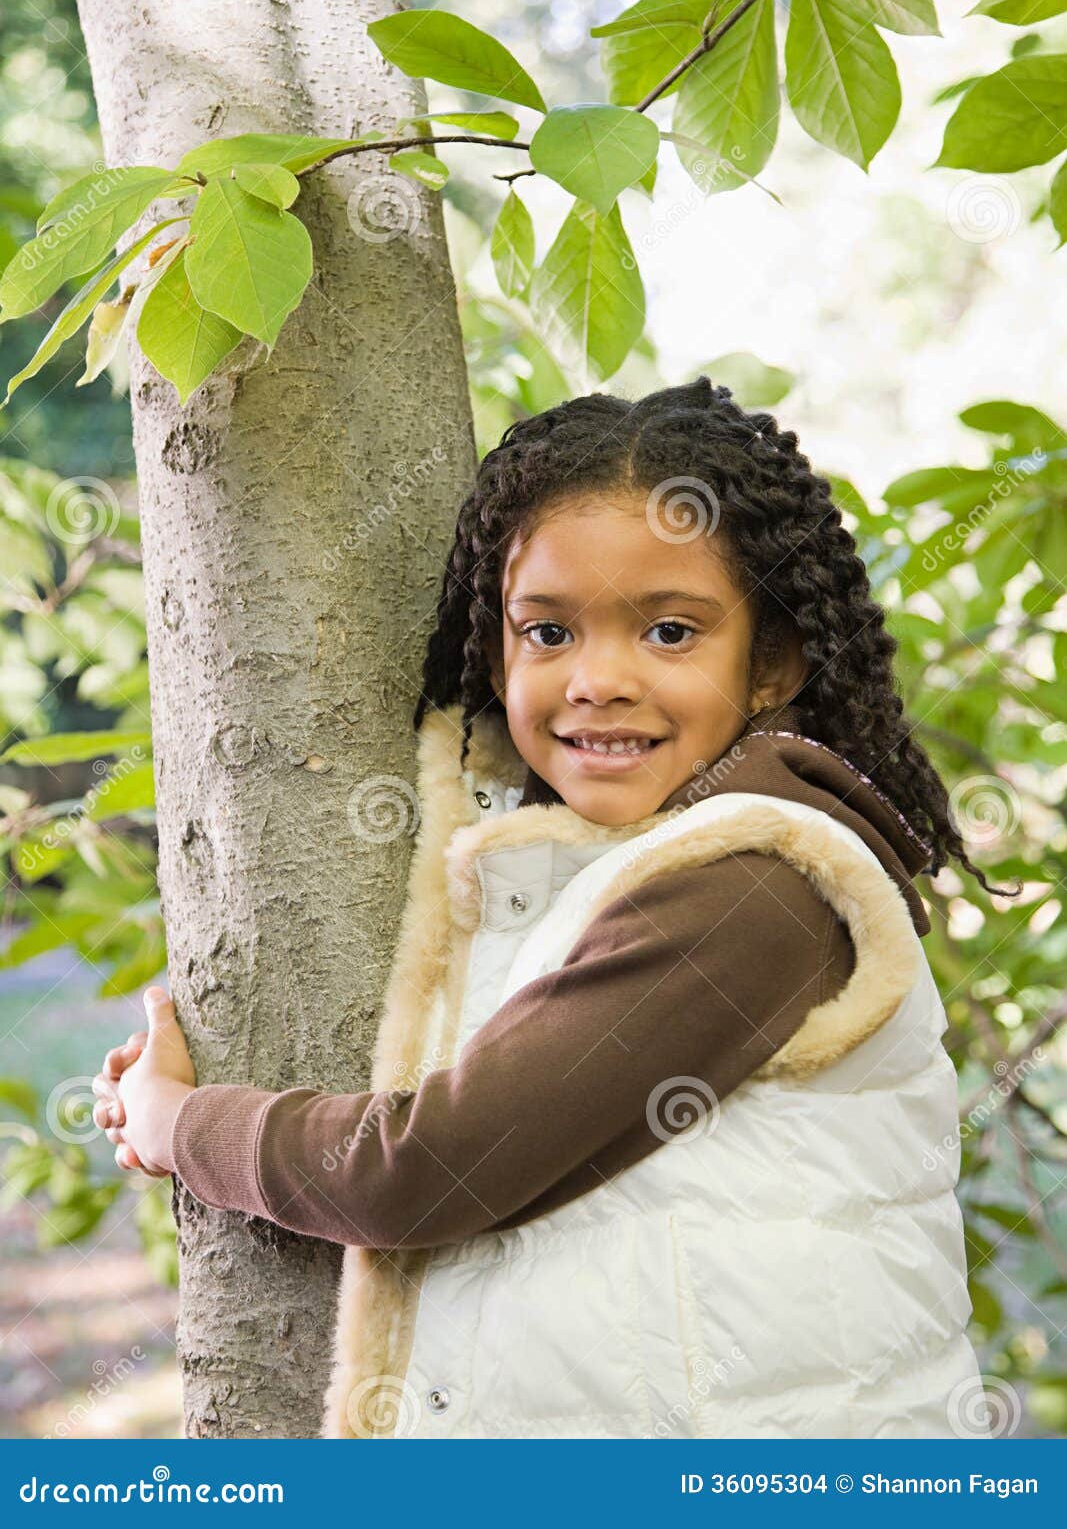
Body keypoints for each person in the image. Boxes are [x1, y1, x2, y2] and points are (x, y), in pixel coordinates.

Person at [92, 378, 1017, 1440]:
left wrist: (179, 1124)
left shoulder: (753, 880)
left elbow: (426, 1167)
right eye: (546, 633)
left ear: (771, 666)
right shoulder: (601, 861)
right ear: (493, 648)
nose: (597, 680)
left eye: (668, 631)